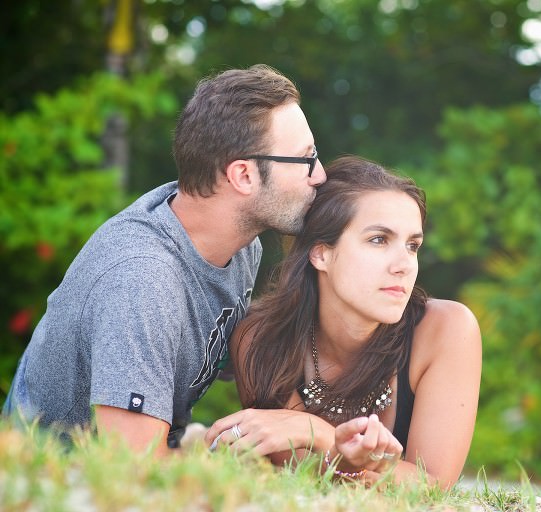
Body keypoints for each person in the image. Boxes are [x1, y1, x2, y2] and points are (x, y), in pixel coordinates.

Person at [2, 64, 327, 454]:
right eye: (304, 159)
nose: (320, 175)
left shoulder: (238, 244)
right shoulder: (141, 280)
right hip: (56, 485)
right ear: (242, 176)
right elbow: (136, 471)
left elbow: (245, 350)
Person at [204, 156, 482, 489]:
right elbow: (299, 475)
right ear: (321, 253)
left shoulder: (445, 330)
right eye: (379, 239)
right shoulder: (261, 338)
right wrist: (346, 457)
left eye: (412, 246)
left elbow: (432, 485)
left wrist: (317, 433)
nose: (404, 265)